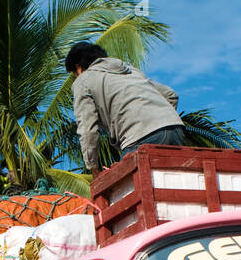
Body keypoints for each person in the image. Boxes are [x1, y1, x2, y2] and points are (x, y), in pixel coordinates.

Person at [66, 41, 188, 178]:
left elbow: (87, 128)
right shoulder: (131, 71)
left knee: (130, 192)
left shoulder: (83, 80)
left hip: (138, 137)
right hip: (176, 129)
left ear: (78, 68)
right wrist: (161, 122)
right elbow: (170, 95)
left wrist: (93, 168)